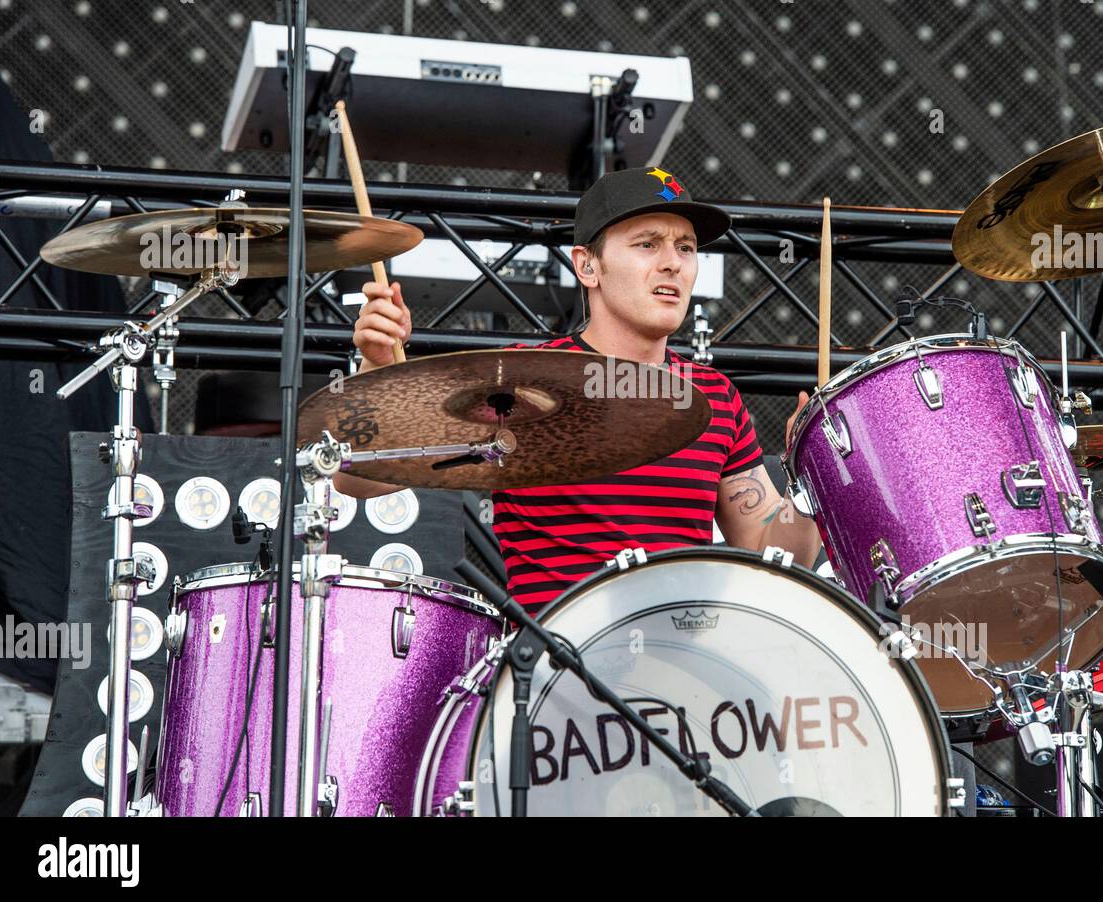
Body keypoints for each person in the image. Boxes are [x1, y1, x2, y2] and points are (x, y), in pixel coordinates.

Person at [338, 166, 821, 612]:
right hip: (556, 668)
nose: (674, 263)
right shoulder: (520, 379)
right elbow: (360, 479)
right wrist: (376, 366)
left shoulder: (716, 396)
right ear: (587, 266)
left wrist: (813, 470)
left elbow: (778, 557)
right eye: (648, 244)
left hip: (686, 663)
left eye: (687, 247)